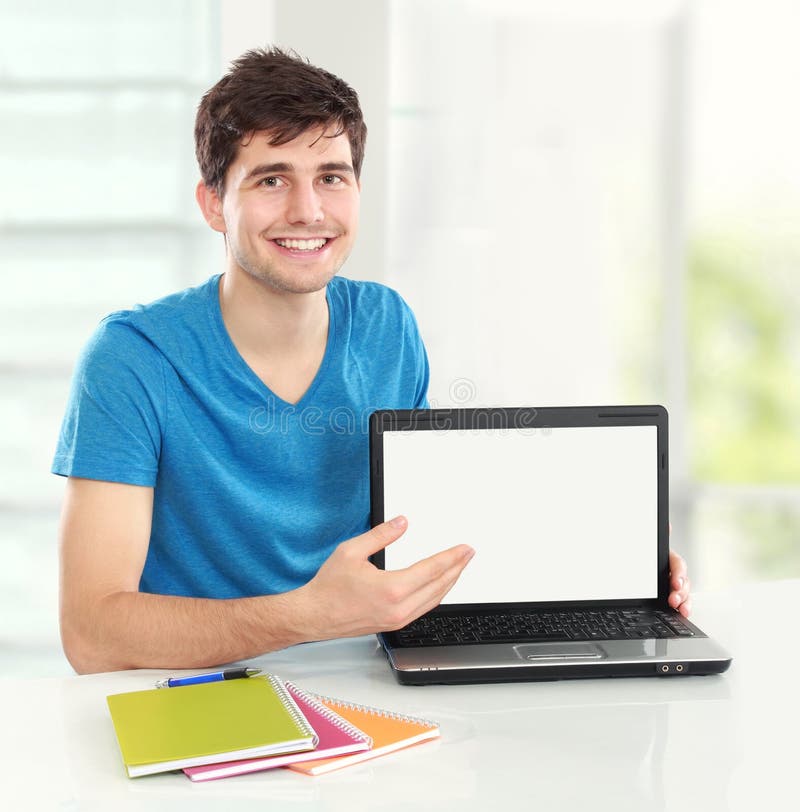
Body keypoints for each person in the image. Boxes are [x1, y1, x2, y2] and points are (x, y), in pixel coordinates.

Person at [53, 47, 691, 675]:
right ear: (215, 203)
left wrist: (610, 565)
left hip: (369, 677)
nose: (309, 210)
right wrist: (306, 616)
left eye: (331, 176)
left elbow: (424, 524)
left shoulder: (387, 324)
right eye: (271, 179)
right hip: (196, 691)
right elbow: (92, 634)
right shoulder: (133, 358)